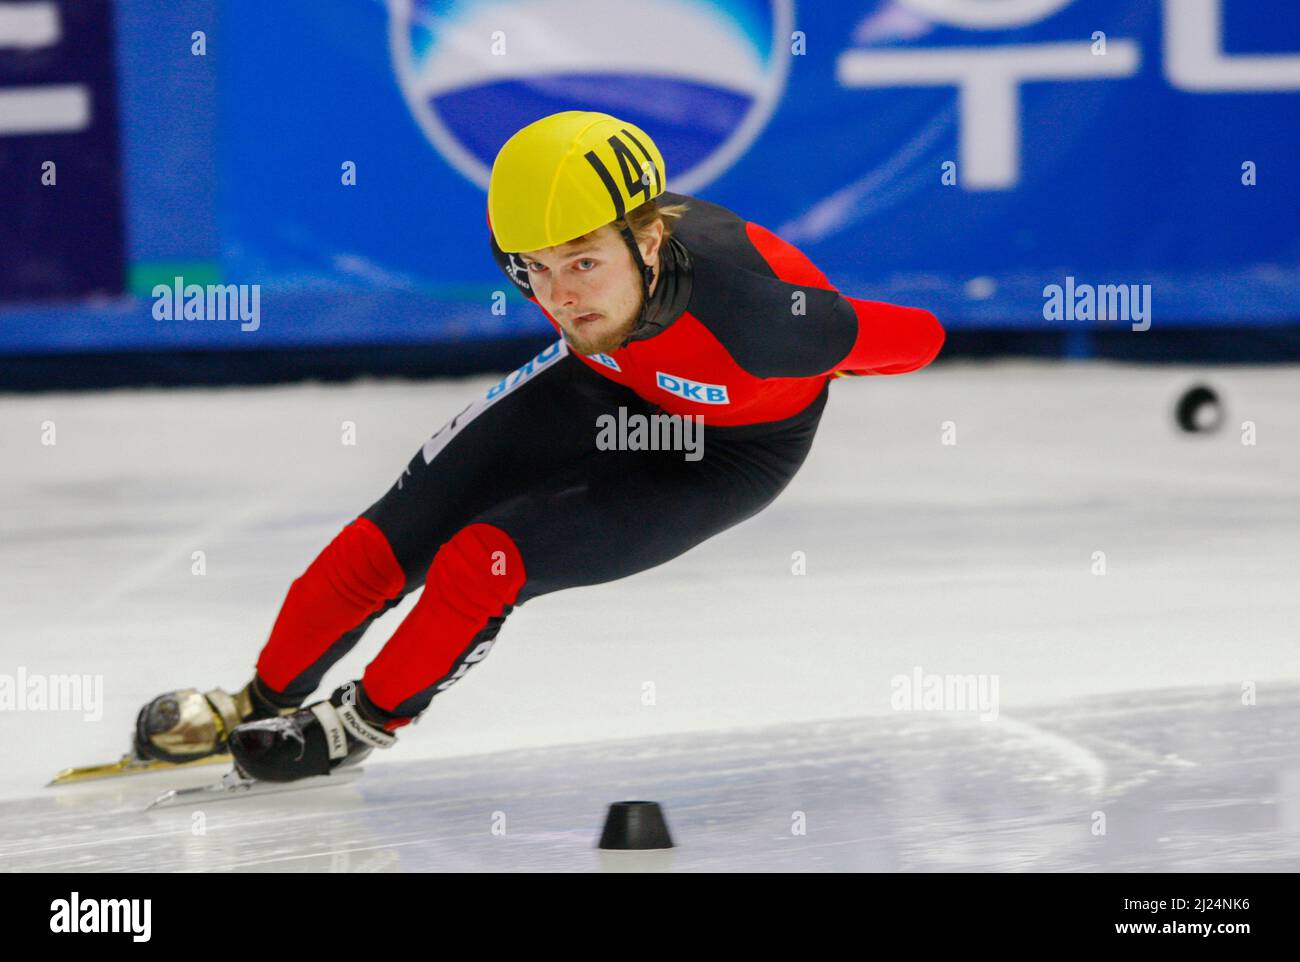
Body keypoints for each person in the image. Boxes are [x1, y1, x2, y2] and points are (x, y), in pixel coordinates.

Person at [133, 110, 946, 783]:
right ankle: (258, 700)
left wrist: (838, 358)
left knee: (481, 561)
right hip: (600, 384)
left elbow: (922, 337)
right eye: (534, 271)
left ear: (652, 243)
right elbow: (574, 302)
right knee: (391, 535)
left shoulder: (769, 324)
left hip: (729, 452)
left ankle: (361, 723)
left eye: (585, 262)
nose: (561, 297)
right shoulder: (576, 296)